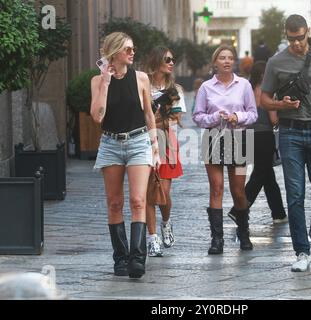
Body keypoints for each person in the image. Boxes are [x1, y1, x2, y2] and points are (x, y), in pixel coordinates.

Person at [260, 15, 311, 272]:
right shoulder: (275, 62)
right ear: (285, 35)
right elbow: (264, 99)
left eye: (301, 37)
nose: (297, 43)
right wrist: (281, 105)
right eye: (291, 38)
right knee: (295, 195)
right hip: (290, 133)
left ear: (308, 32)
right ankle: (301, 252)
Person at [91, 32, 160, 278]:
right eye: (128, 49)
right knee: (115, 203)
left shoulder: (141, 78)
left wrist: (155, 147)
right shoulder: (97, 81)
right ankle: (120, 259)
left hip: (139, 142)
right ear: (114, 52)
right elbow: (97, 116)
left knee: (138, 201)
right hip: (110, 143)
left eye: (133, 49)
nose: (132, 53)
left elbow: (150, 115)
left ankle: (137, 259)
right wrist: (106, 82)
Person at [193, 45, 258, 254]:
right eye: (222, 58)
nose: (227, 61)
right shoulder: (205, 87)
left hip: (239, 139)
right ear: (215, 62)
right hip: (213, 139)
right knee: (216, 188)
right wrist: (214, 117)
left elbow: (253, 114)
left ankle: (244, 232)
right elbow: (197, 116)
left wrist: (237, 117)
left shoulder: (244, 85)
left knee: (239, 191)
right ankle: (217, 240)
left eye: (230, 58)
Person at [228, 61, 287, 225]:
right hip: (264, 135)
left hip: (245, 133)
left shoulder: (244, 89)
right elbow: (274, 119)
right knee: (260, 173)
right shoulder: (268, 92)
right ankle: (238, 209)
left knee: (268, 176)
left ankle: (279, 213)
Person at [144, 46, 186, 257]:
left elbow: (177, 118)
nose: (171, 62)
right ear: (156, 61)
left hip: (167, 141)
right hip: (145, 141)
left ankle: (166, 222)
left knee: (164, 193)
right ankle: (152, 238)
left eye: (172, 59)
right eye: (167, 59)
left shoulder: (175, 89)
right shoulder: (143, 86)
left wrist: (164, 111)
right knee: (148, 194)